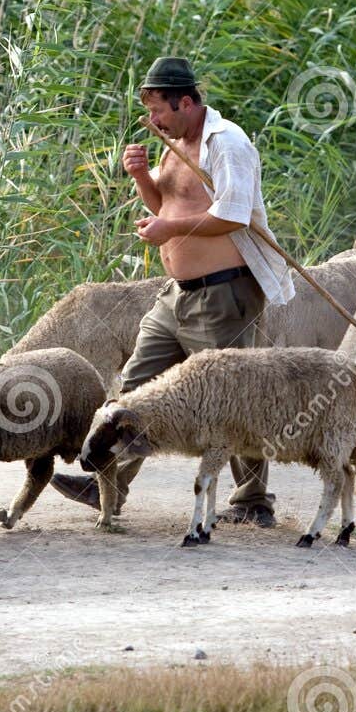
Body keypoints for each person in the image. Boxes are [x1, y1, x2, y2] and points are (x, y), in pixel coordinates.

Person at [49, 55, 294, 526]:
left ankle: (252, 501)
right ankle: (108, 486)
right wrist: (142, 175)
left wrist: (168, 229)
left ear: (186, 101)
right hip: (177, 294)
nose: (153, 120)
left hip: (225, 294)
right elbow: (166, 201)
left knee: (232, 395)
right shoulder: (175, 142)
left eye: (159, 109)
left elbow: (233, 215)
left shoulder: (228, 143)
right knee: (137, 387)